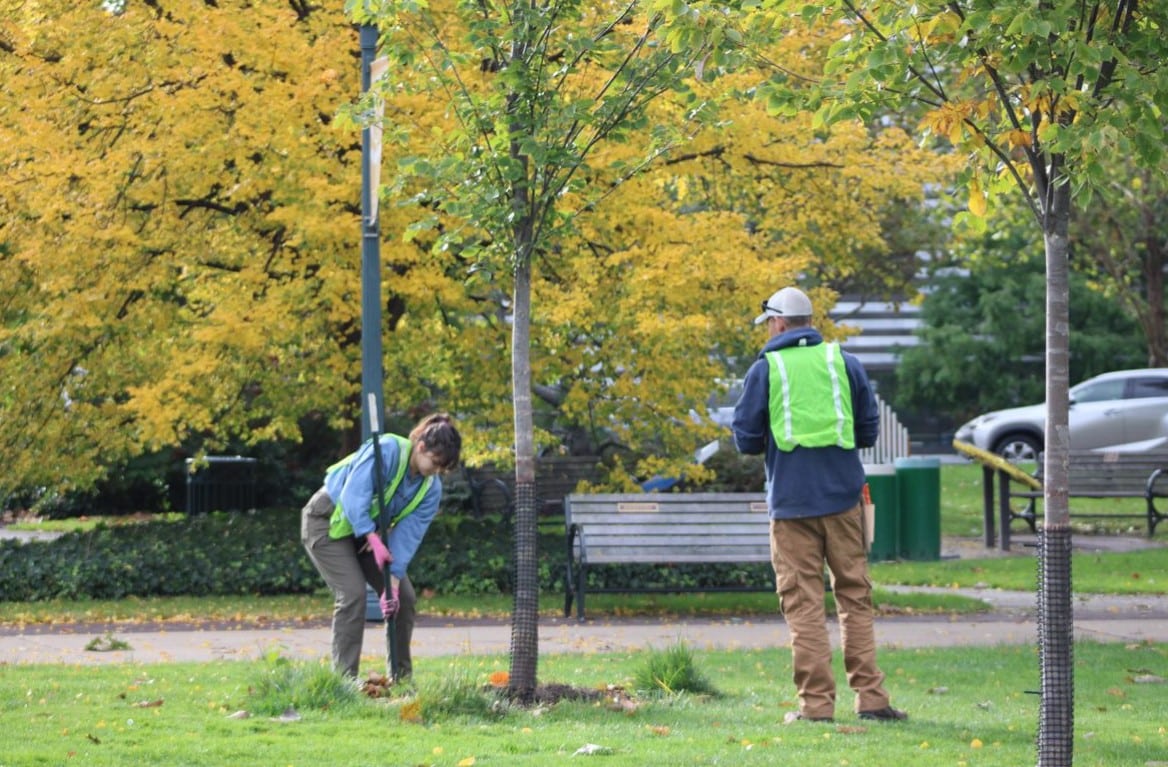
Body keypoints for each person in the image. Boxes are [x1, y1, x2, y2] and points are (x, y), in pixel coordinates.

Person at [731, 287, 907, 724]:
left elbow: (744, 439)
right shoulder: (842, 363)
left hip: (791, 506)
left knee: (803, 601)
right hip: (845, 499)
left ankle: (815, 707)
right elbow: (868, 429)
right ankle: (872, 699)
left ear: (777, 323)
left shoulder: (766, 369)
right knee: (855, 596)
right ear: (810, 321)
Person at [300, 412, 461, 680]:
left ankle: (401, 679)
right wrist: (373, 539)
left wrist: (392, 586)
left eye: (442, 469)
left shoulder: (430, 489)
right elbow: (353, 497)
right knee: (353, 595)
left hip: (364, 536)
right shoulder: (386, 450)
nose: (436, 472)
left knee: (404, 599)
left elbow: (408, 537)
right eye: (434, 463)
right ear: (421, 447)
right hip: (327, 522)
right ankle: (344, 682)